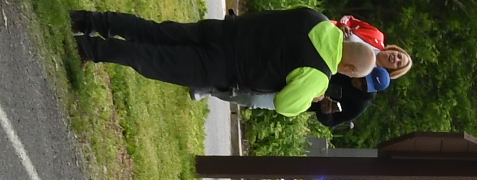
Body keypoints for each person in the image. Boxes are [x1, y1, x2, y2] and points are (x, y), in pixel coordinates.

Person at [69, 9, 375, 117]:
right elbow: (284, 105)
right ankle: (88, 49)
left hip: (224, 31)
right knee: (154, 60)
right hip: (224, 67)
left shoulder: (316, 19)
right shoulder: (319, 76)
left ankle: (88, 21)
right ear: (349, 70)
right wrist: (312, 98)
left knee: (155, 31)